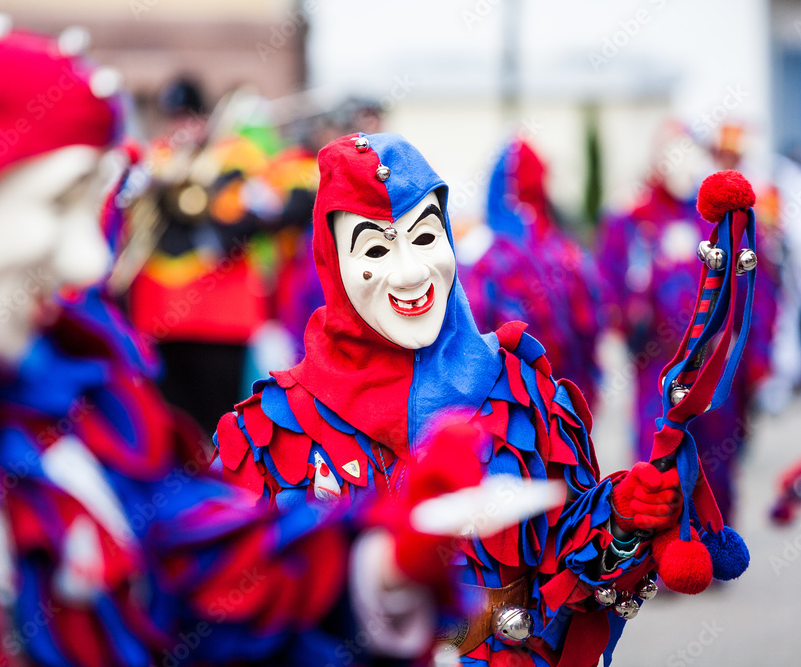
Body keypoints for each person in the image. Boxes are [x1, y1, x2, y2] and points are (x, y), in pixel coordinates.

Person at [0, 14, 490, 666]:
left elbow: (177, 553)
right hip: (166, 324)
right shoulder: (165, 168)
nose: (85, 261)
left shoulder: (236, 166)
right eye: (55, 205)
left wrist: (374, 565)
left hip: (223, 325)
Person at [214, 132, 690, 665]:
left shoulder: (520, 389)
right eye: (374, 249)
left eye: (424, 238)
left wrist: (621, 516)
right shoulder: (264, 432)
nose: (412, 272)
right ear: (332, 263)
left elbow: (564, 553)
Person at [596, 121, 770, 524]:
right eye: (669, 153)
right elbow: (607, 280)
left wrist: (750, 348)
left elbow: (755, 287)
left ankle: (710, 537)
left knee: (715, 451)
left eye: (686, 153)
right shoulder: (632, 217)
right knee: (657, 451)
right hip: (659, 363)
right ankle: (657, 549)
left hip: (714, 361)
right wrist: (627, 319)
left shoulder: (720, 220)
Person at [460, 138, 605, 405]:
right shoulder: (569, 254)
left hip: (505, 409)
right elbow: (592, 328)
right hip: (566, 404)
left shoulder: (483, 260)